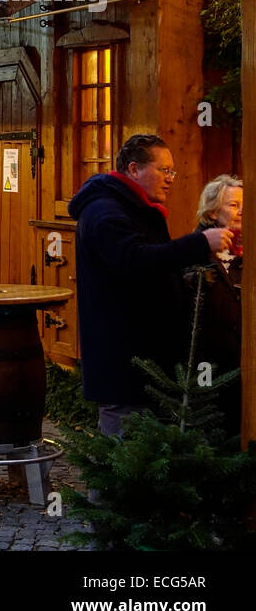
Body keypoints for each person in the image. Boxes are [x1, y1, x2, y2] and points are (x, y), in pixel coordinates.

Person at [70, 134, 230, 438]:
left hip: (144, 362)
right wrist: (199, 243)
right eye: (163, 170)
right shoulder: (106, 212)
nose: (170, 179)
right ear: (134, 169)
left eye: (172, 171)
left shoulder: (134, 208)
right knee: (122, 459)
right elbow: (135, 260)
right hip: (123, 362)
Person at [191, 175, 243, 435]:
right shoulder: (195, 252)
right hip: (208, 364)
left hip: (241, 363)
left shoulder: (245, 251)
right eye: (234, 205)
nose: (242, 211)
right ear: (212, 211)